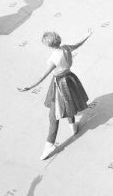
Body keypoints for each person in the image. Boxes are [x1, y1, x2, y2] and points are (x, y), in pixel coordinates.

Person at [17, 29, 92, 161]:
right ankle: (73, 126)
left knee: (53, 115)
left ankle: (49, 144)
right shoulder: (66, 47)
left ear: (48, 45)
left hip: (59, 83)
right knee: (70, 103)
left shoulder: (54, 58)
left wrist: (29, 87)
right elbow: (78, 44)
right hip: (69, 78)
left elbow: (43, 76)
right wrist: (86, 35)